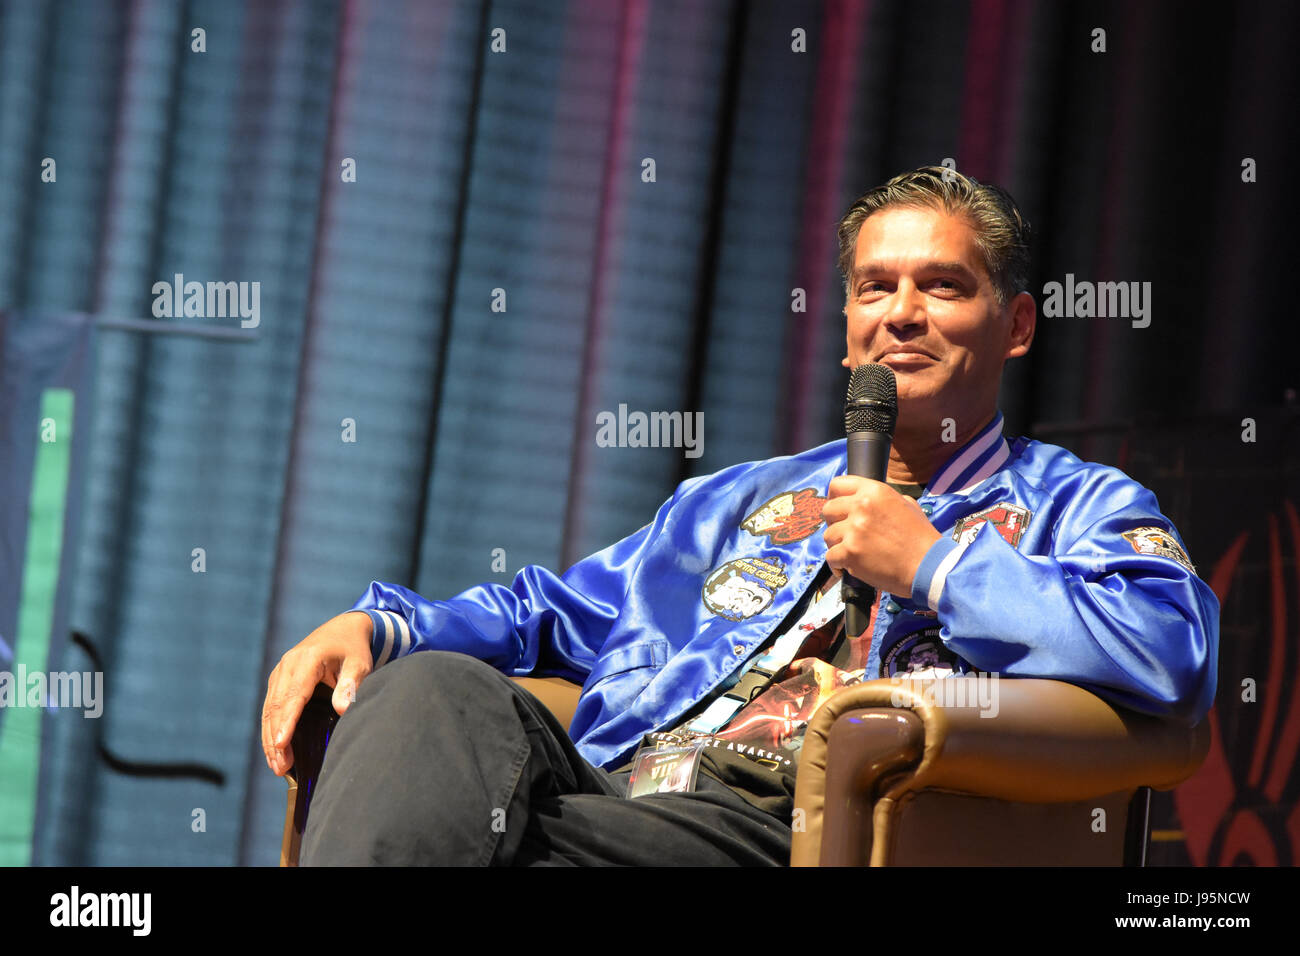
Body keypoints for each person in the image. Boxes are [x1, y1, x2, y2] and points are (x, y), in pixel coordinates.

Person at [261, 166, 1219, 865]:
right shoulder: (738, 499)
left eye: (943, 286)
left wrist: (934, 568)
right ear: (846, 327)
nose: (902, 314)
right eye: (874, 288)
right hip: (618, 790)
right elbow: (549, 613)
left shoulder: (1076, 502)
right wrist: (385, 625)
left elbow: (1172, 651)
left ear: (1014, 325)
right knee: (423, 692)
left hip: (775, 825)